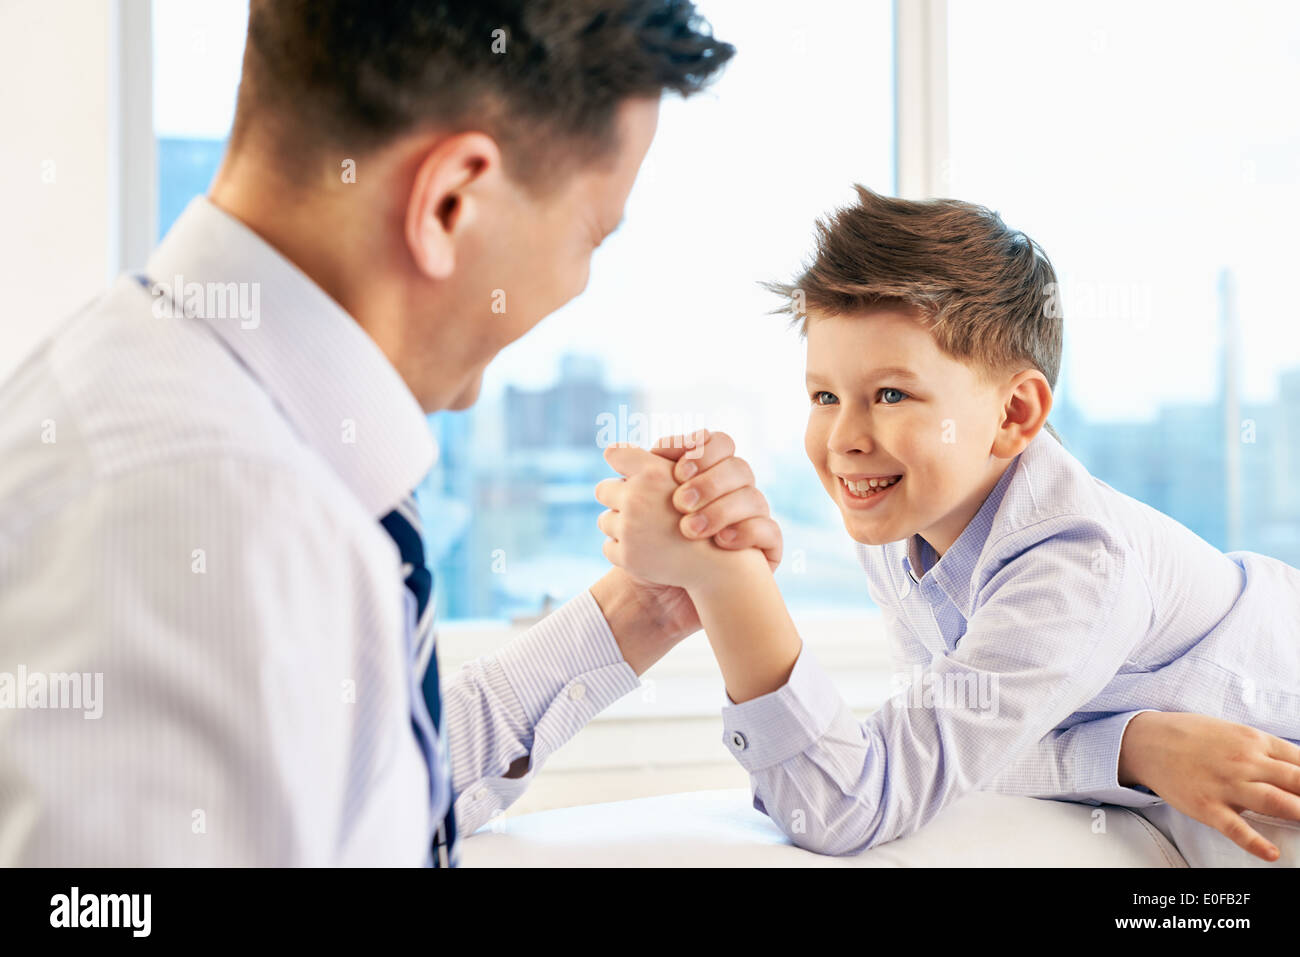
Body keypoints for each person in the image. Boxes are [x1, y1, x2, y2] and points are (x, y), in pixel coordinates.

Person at [0, 0, 784, 865]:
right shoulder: (207, 518)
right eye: (591, 237)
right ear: (450, 203)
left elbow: (356, 797)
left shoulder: (207, 423)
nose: (577, 286)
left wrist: (637, 610)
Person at [598, 185, 1300, 865]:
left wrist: (728, 579)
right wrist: (1129, 748)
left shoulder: (1070, 567)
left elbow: (853, 802)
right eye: (824, 394)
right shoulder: (904, 526)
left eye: (891, 393)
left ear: (1015, 414)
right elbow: (960, 743)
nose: (845, 436)